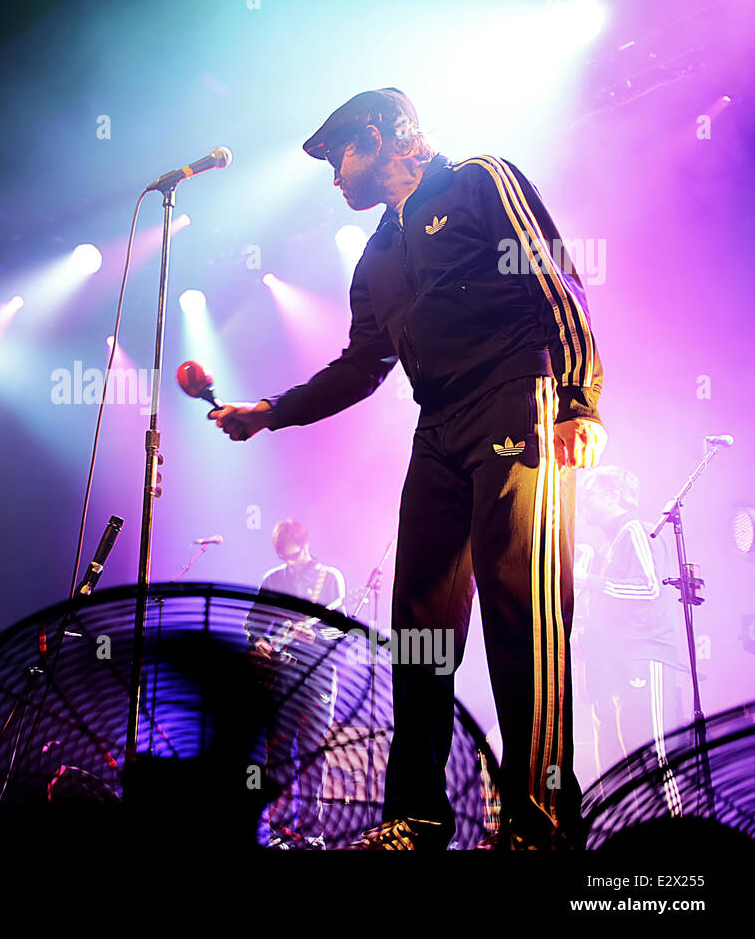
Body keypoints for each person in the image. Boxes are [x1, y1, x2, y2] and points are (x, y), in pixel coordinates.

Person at [210, 88, 606, 849]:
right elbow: (363, 366)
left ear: (386, 135)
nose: (333, 178)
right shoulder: (375, 258)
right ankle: (416, 818)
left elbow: (555, 281)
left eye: (339, 156)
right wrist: (270, 411)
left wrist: (580, 401)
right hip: (439, 429)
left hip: (515, 397)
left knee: (524, 613)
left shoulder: (479, 180)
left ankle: (541, 824)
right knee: (419, 629)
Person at [574, 465, 683, 814]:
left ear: (613, 495)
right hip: (616, 660)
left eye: (590, 493)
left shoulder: (633, 529)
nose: (584, 501)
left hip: (643, 654)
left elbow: (648, 588)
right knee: (620, 762)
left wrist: (588, 581)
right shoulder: (607, 541)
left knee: (651, 753)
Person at [245, 519, 347, 847]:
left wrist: (315, 633)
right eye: (282, 556)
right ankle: (278, 831)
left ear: (304, 545)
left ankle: (312, 832)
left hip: (317, 678)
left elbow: (341, 629)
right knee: (276, 757)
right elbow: (253, 623)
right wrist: (258, 641)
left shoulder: (330, 579)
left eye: (291, 554)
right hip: (279, 677)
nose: (287, 562)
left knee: (313, 756)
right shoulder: (272, 580)